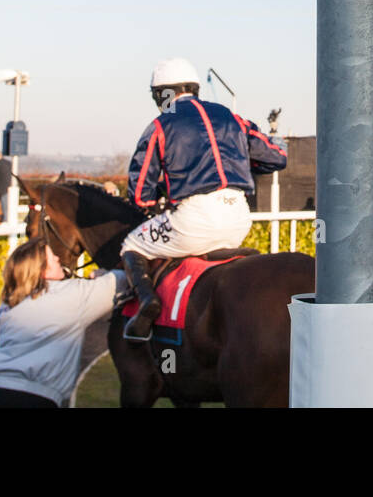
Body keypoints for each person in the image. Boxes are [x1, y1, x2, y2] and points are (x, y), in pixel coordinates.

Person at [121, 57, 287, 341]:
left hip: (193, 222)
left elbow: (139, 194)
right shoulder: (232, 117)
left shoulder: (160, 125)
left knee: (131, 245)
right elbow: (277, 157)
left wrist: (153, 202)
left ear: (163, 93)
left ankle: (148, 304)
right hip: (238, 219)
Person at [0, 237, 126, 407]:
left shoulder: (9, 302)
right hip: (34, 399)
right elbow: (121, 282)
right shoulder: (72, 296)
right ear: (42, 270)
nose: (58, 258)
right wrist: (101, 275)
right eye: (52, 257)